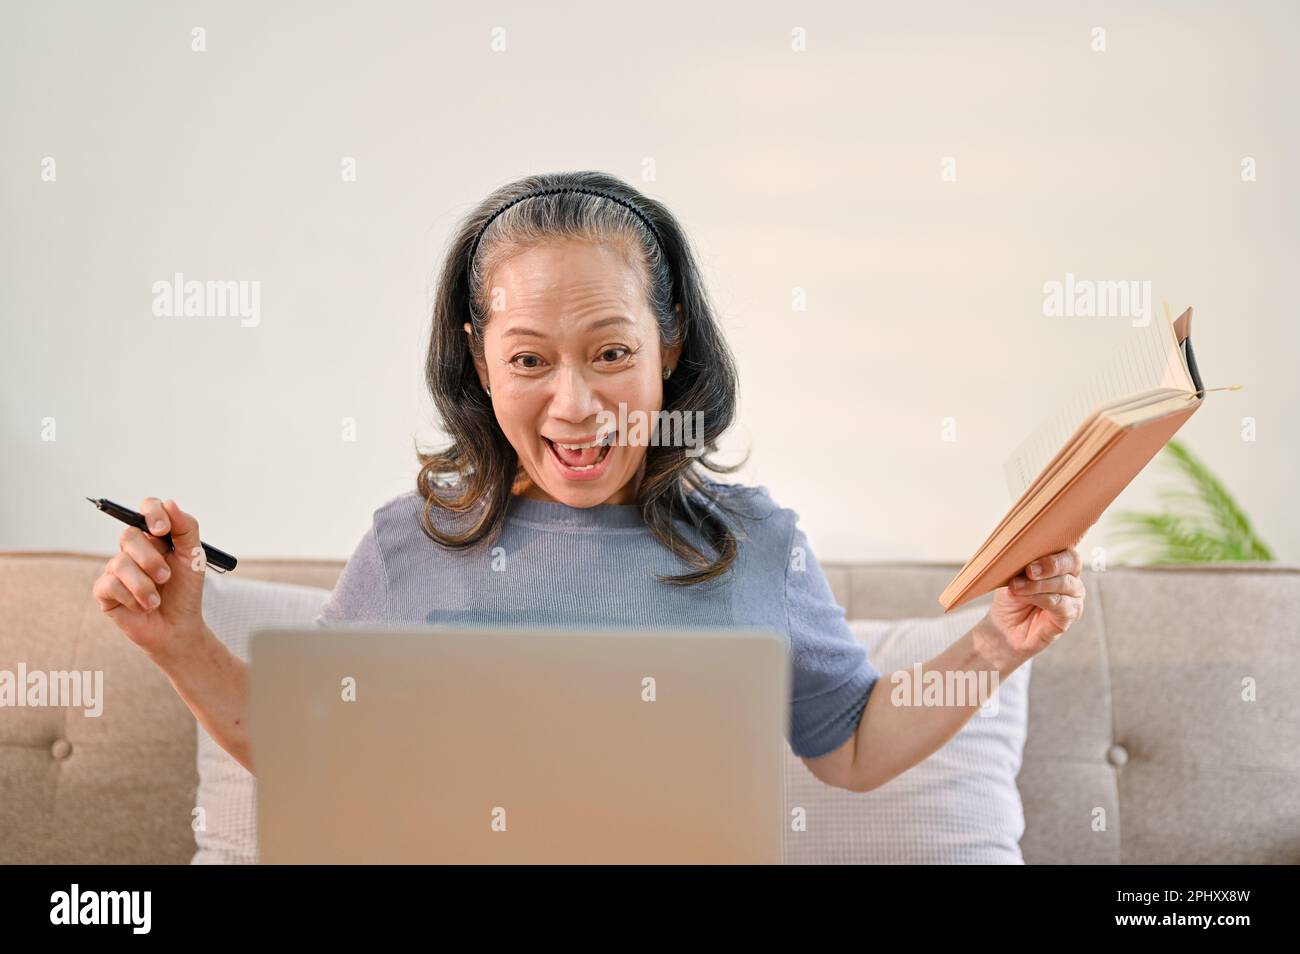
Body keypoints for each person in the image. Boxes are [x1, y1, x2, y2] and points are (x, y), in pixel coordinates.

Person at [93, 170, 1085, 792]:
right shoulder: (412, 547)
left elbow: (853, 744)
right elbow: (309, 747)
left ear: (668, 347)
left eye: (610, 352)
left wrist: (998, 641)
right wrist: (179, 638)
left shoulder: (755, 545)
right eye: (529, 361)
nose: (574, 405)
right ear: (482, 365)